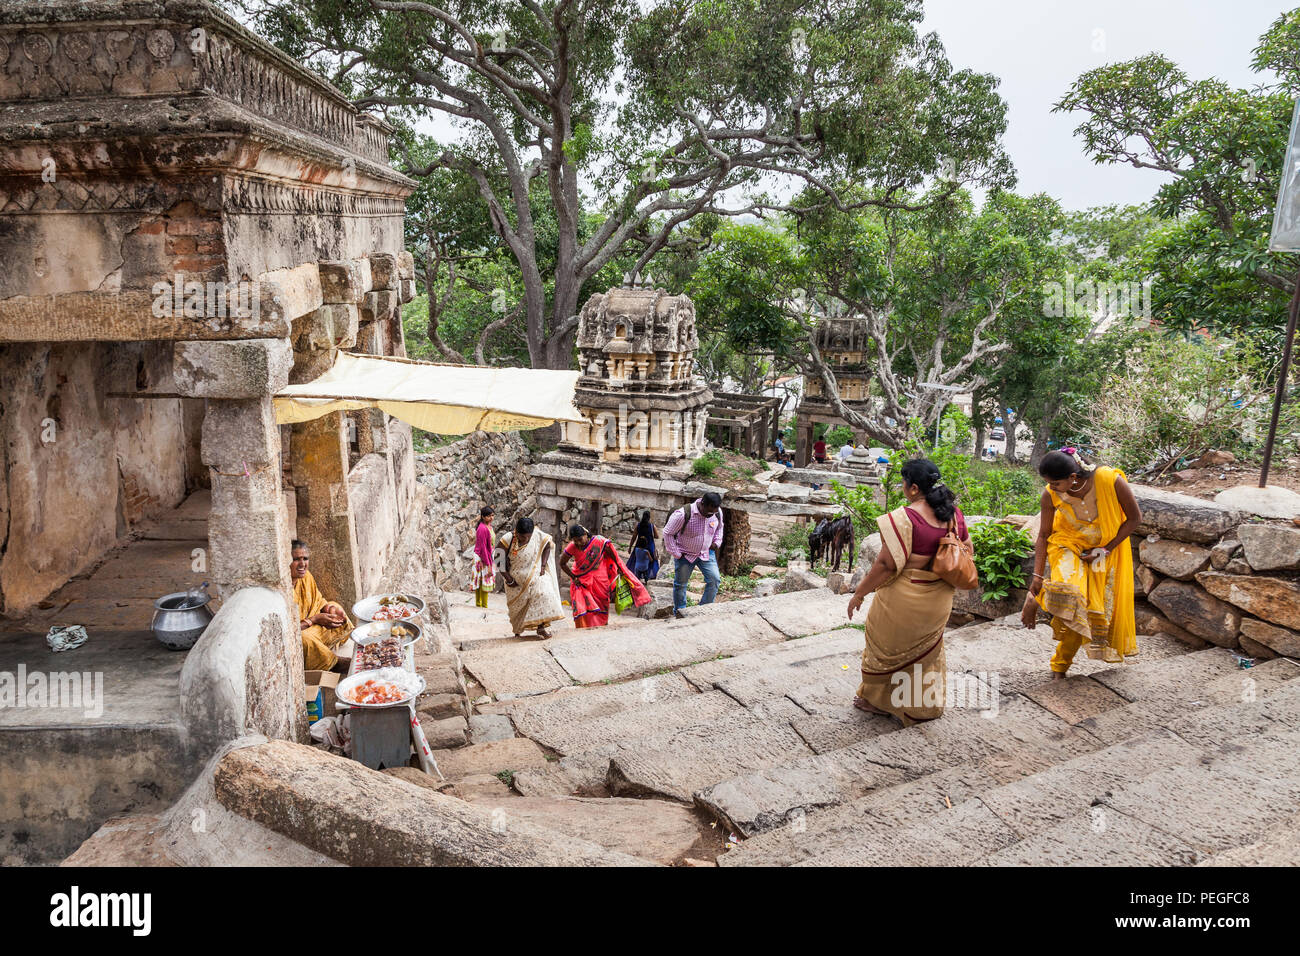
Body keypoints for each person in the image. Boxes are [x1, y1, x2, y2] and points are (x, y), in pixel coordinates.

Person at [846, 459, 972, 725]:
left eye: (903, 482)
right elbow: (967, 550)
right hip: (939, 599)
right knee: (927, 655)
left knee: (885, 648)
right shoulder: (954, 514)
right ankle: (921, 707)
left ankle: (876, 701)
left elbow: (884, 566)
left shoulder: (905, 519)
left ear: (913, 488)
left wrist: (859, 593)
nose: (902, 486)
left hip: (904, 599)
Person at [1022, 447, 1141, 679]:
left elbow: (1135, 519)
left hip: (1102, 551)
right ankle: (1036, 598)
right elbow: (1044, 535)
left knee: (1083, 609)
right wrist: (1037, 578)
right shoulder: (1050, 494)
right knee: (1070, 592)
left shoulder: (1110, 480)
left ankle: (1059, 665)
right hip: (1066, 545)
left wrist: (1106, 549)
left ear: (1073, 477)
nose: (1050, 488)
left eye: (1055, 483)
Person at [560, 524, 651, 627]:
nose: (578, 543)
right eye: (575, 541)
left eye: (580, 539)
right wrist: (573, 577)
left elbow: (613, 555)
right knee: (583, 604)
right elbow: (562, 563)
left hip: (600, 578)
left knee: (602, 601)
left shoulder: (599, 542)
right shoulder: (572, 547)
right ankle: (586, 627)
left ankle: (602, 624)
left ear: (585, 534)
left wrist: (619, 568)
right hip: (581, 581)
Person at [497, 516, 565, 639]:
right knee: (517, 609)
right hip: (514, 581)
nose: (526, 539)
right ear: (516, 532)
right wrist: (508, 579)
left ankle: (541, 628)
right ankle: (517, 631)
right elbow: (498, 559)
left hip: (536, 576)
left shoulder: (537, 535)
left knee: (543, 594)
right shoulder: (507, 539)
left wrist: (543, 566)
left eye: (528, 536)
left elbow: (547, 546)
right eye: (523, 537)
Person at [292, 539, 353, 671]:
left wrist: (329, 609)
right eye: (296, 559)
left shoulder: (306, 577)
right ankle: (333, 663)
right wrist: (314, 619)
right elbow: (288, 631)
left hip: (314, 627)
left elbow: (318, 600)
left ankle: (325, 646)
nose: (302, 564)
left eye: (305, 559)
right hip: (300, 634)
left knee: (335, 605)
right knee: (304, 640)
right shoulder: (282, 591)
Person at [663, 491, 724, 619]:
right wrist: (677, 553)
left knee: (714, 580)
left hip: (706, 553)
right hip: (685, 555)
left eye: (713, 512)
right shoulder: (682, 514)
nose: (710, 515)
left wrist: (717, 542)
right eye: (708, 512)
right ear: (702, 503)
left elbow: (719, 528)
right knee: (680, 584)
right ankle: (680, 613)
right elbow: (668, 533)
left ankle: (703, 610)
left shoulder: (717, 512)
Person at [471, 506, 495, 608]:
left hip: (487, 555)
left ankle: (482, 604)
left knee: (483, 579)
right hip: (482, 556)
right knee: (484, 580)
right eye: (489, 516)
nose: (491, 518)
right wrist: (488, 563)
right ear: (483, 517)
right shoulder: (482, 529)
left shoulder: (489, 526)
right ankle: (481, 605)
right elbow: (483, 548)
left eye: (493, 515)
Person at [627, 511, 660, 582]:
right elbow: (657, 536)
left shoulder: (638, 526)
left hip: (639, 545)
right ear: (649, 517)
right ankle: (648, 576)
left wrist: (630, 547)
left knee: (636, 559)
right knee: (651, 561)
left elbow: (634, 537)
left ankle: (636, 575)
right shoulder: (652, 526)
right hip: (650, 546)